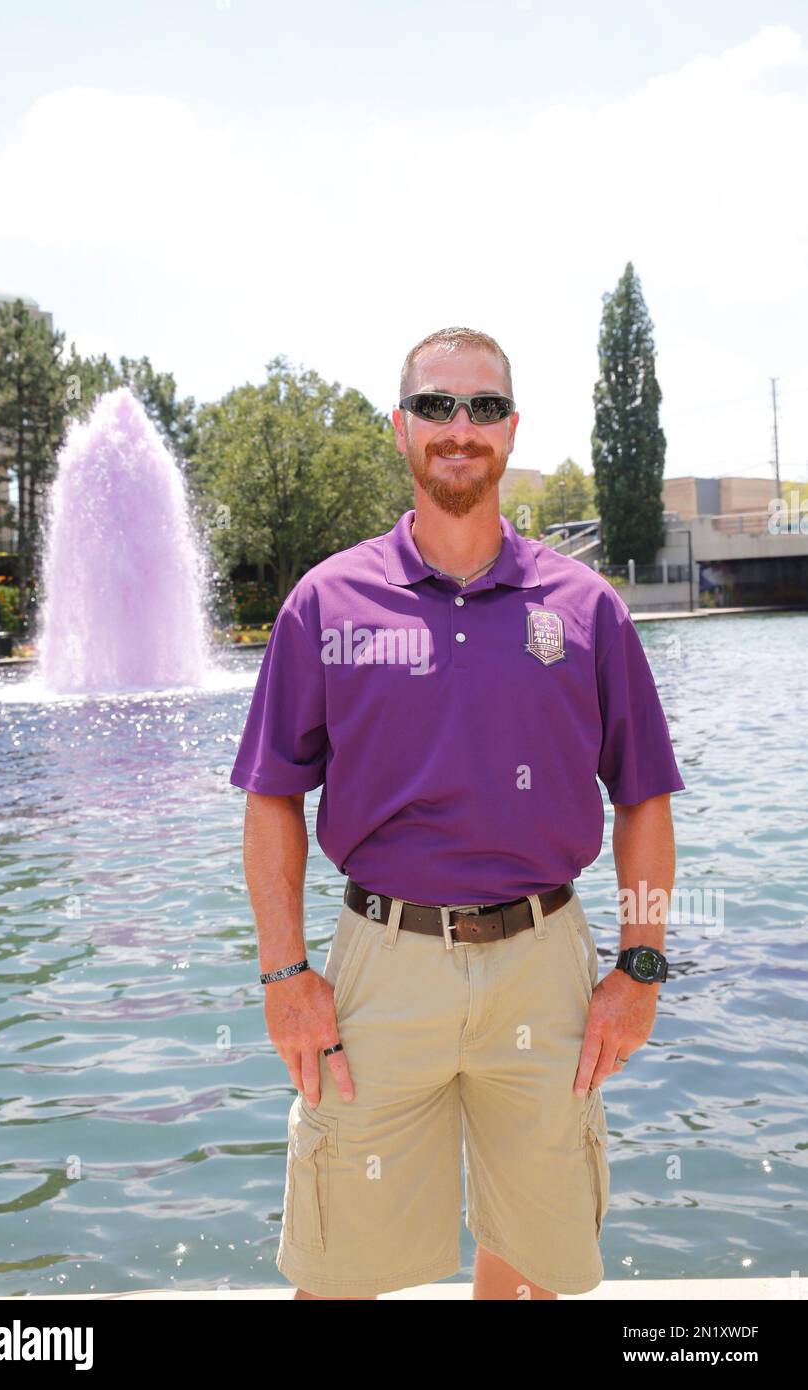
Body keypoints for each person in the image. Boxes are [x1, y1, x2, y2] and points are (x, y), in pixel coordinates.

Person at [230, 325, 685, 1300]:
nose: (458, 426)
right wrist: (284, 971)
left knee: (528, 1274)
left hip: (543, 965)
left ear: (510, 430)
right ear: (400, 428)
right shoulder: (326, 603)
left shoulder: (585, 609)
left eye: (481, 407)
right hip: (379, 967)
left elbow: (642, 796)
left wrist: (639, 963)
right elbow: (272, 794)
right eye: (435, 405)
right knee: (335, 1275)